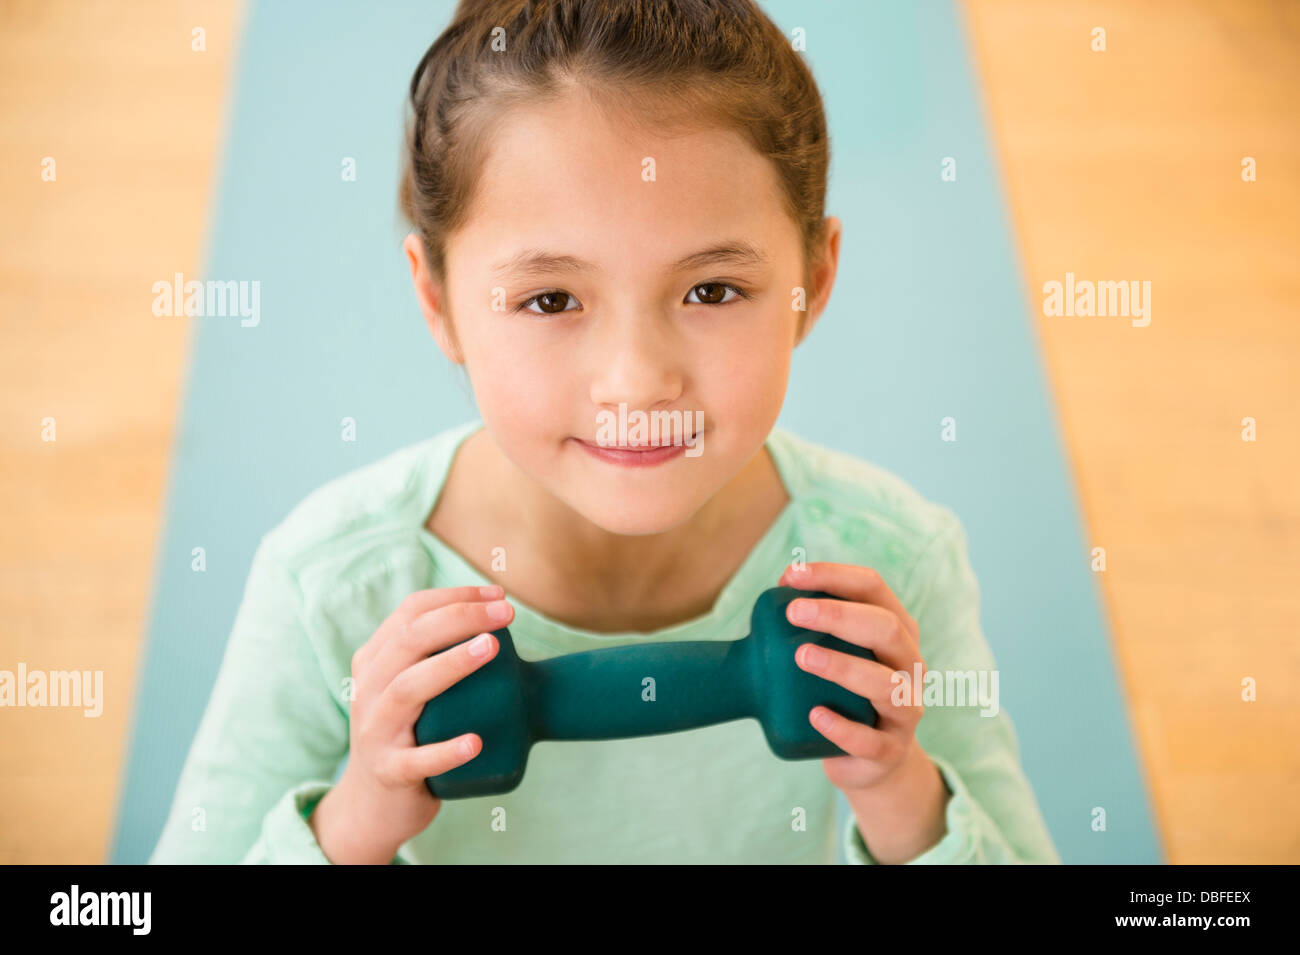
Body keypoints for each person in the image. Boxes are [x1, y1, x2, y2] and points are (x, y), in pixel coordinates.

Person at [150, 0, 1060, 864]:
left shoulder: (892, 566)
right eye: (550, 298)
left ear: (813, 283)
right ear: (437, 302)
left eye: (711, 291)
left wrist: (900, 787)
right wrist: (356, 817)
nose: (635, 379)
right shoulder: (328, 588)